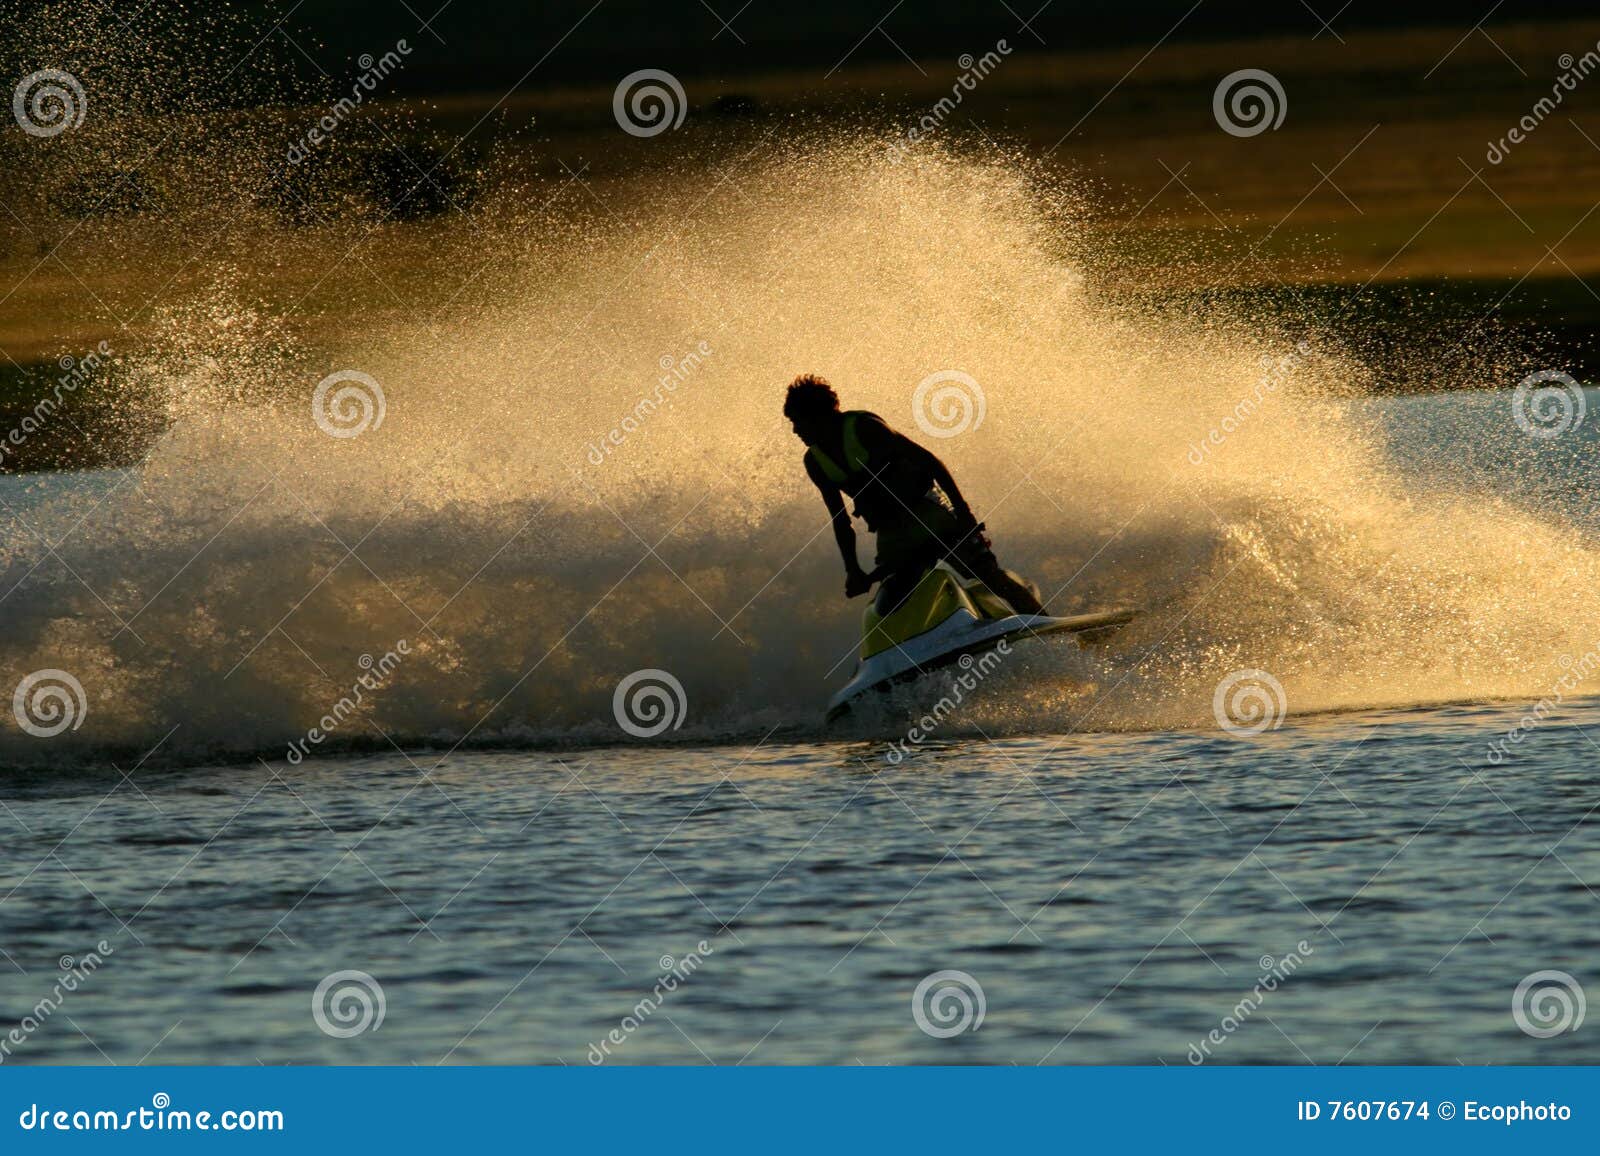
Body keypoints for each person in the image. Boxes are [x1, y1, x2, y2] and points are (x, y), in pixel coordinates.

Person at [784, 374, 1045, 616]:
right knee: (890, 607)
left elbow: (930, 462)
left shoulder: (865, 427)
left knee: (988, 576)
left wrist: (963, 512)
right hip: (892, 533)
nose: (795, 431)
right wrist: (852, 570)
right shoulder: (815, 462)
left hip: (929, 513)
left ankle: (1046, 626)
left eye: (798, 421)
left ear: (818, 415)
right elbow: (841, 521)